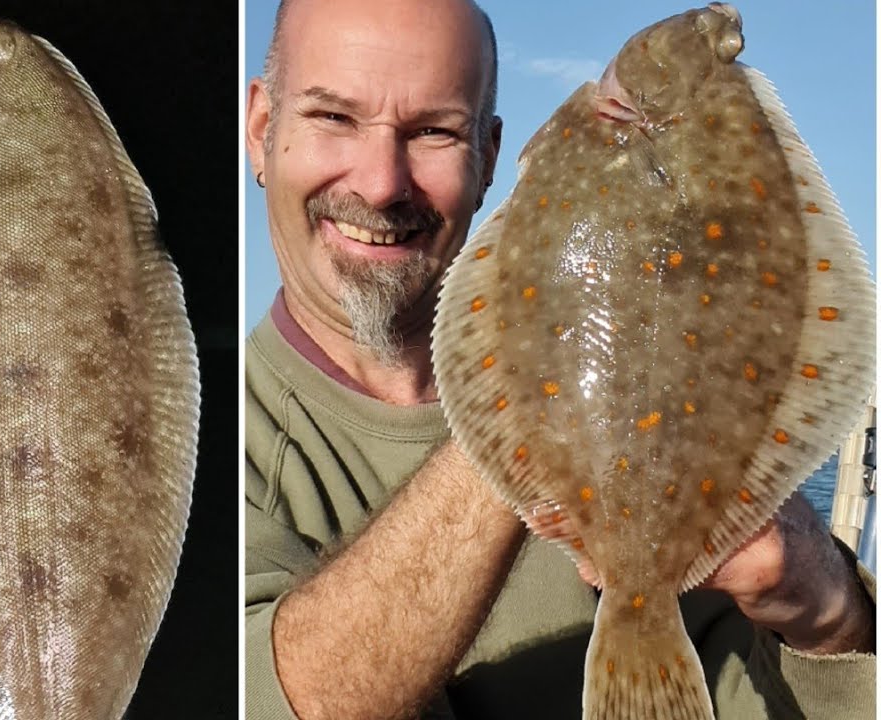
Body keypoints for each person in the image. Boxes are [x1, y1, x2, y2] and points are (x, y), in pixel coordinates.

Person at [242, 1, 876, 718]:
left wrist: (833, 616)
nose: (382, 182)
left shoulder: (686, 468)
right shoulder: (212, 433)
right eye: (333, 118)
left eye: (433, 131)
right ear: (262, 130)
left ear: (489, 157)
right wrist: (547, 363)